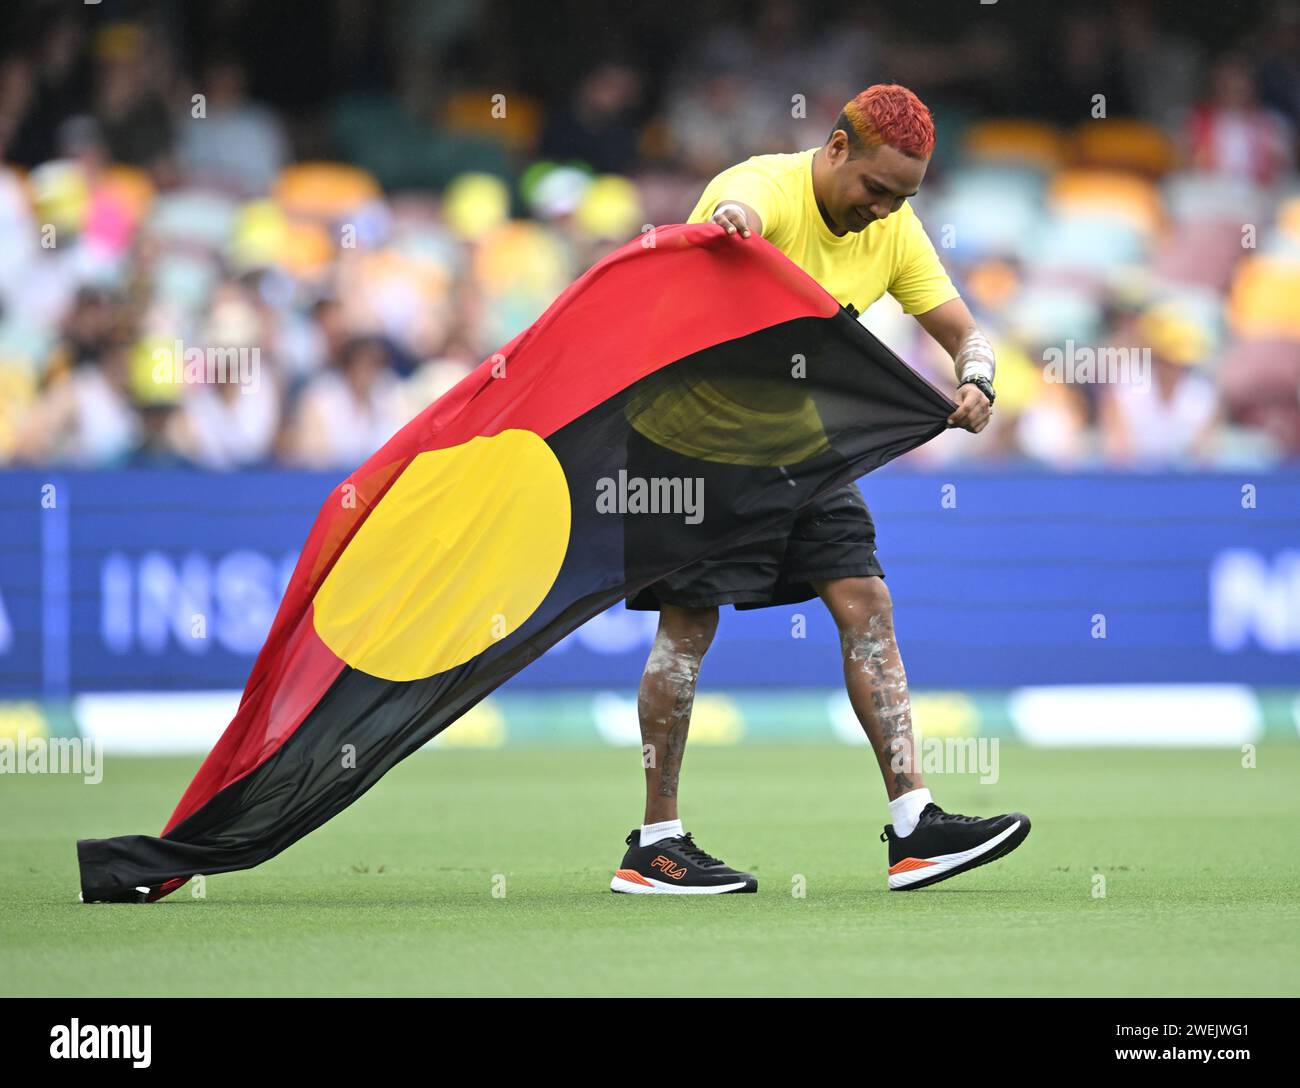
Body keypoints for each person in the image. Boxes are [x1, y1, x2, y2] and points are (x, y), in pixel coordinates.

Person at [611, 85, 1030, 895]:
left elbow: (964, 331)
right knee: (689, 624)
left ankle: (916, 829)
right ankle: (655, 845)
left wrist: (977, 375)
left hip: (794, 443)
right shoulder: (766, 185)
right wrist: (732, 223)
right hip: (685, 437)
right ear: (835, 149)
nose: (883, 209)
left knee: (866, 600)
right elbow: (741, 208)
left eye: (902, 197)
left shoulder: (895, 230)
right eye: (875, 188)